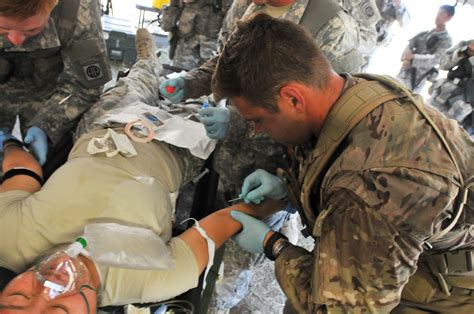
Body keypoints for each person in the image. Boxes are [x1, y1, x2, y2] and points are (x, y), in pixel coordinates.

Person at [0, 28, 286, 311]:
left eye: (19, 298)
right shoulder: (153, 277)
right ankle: (205, 85)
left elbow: (21, 171)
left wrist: (10, 143)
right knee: (206, 108)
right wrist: (286, 198)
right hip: (174, 146)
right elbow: (228, 219)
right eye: (58, 311)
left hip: (105, 126)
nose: (49, 286)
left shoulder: (7, 237)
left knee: (137, 81)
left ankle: (149, 61)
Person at [212, 14, 474, 312]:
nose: (257, 130)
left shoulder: (374, 185)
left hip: (441, 291)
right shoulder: (352, 93)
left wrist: (274, 245)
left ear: (293, 99)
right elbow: (330, 154)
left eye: (258, 120)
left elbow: (341, 308)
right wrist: (289, 191)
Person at [0, 0, 111, 169]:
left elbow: (85, 85)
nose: (15, 40)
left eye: (31, 29)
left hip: (53, 91)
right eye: (3, 29)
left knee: (49, 167)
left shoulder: (79, 9)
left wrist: (47, 125)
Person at [159, 0, 233, 71]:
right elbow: (166, 26)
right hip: (184, 53)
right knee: (177, 80)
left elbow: (232, 23)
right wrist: (174, 4)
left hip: (212, 53)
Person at [397, 4, 454, 93]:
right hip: (403, 74)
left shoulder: (446, 40)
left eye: (441, 14)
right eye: (437, 13)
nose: (437, 17)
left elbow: (436, 58)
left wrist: (414, 57)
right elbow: (410, 45)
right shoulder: (425, 33)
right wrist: (406, 59)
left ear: (449, 18)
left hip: (416, 80)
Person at [429, 39, 474, 136]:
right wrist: (461, 53)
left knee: (442, 142)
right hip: (441, 97)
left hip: (462, 112)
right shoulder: (466, 44)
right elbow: (443, 64)